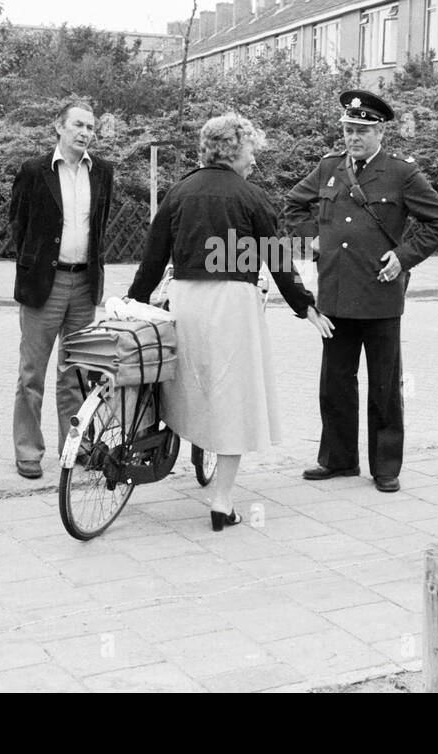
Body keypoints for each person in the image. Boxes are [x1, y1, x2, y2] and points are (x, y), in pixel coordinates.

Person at [129, 113, 334, 529]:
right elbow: (278, 259)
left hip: (184, 300)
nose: (255, 160)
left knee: (184, 382)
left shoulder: (179, 192)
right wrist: (305, 305)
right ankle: (221, 500)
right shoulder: (251, 197)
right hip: (232, 304)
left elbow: (153, 257)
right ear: (234, 150)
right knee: (233, 397)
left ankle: (158, 443)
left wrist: (134, 301)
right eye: (252, 151)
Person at [284, 90, 438, 493]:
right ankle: (339, 460)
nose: (352, 138)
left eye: (361, 130)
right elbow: (294, 205)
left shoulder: (401, 174)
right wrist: (311, 240)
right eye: (347, 129)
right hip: (336, 294)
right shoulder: (329, 167)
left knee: (383, 385)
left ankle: (385, 467)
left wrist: (404, 256)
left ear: (380, 131)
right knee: (336, 382)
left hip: (380, 295)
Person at [9, 99, 115, 479]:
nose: (86, 133)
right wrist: (35, 266)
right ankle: (28, 450)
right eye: (79, 125)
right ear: (59, 126)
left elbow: (99, 226)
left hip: (83, 284)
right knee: (31, 374)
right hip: (44, 286)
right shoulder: (34, 171)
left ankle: (76, 446)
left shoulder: (103, 171)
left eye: (91, 127)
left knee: (76, 373)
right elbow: (18, 224)